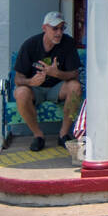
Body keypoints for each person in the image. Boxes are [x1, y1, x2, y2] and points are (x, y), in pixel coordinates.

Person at [13, 11, 82, 152]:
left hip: (56, 88)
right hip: (35, 89)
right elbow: (18, 79)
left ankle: (63, 134)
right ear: (45, 28)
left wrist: (57, 73)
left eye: (62, 28)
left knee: (75, 87)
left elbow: (74, 74)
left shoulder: (67, 43)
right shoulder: (30, 45)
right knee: (20, 92)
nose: (59, 33)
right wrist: (31, 82)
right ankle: (38, 135)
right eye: (55, 28)